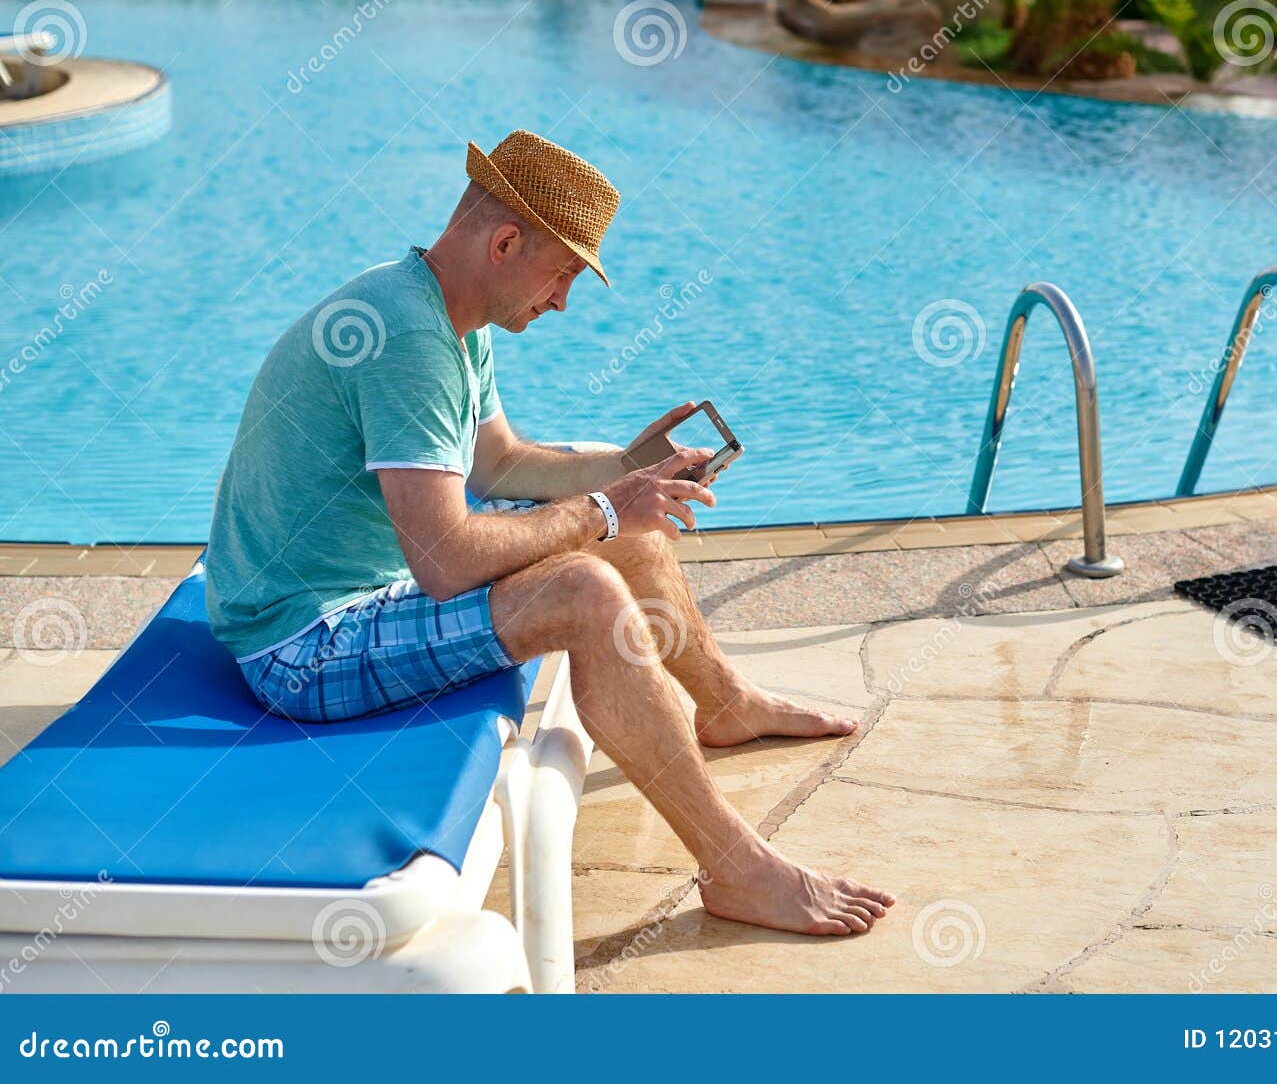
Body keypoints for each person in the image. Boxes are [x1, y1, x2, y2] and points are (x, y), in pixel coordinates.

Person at [206, 130, 894, 937]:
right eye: (564, 272)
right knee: (586, 587)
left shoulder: (442, 311)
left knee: (624, 533)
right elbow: (443, 560)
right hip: (300, 644)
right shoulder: (408, 339)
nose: (564, 299)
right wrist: (603, 511)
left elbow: (497, 463)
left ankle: (727, 703)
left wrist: (628, 468)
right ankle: (738, 868)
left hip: (361, 587)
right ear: (505, 243)